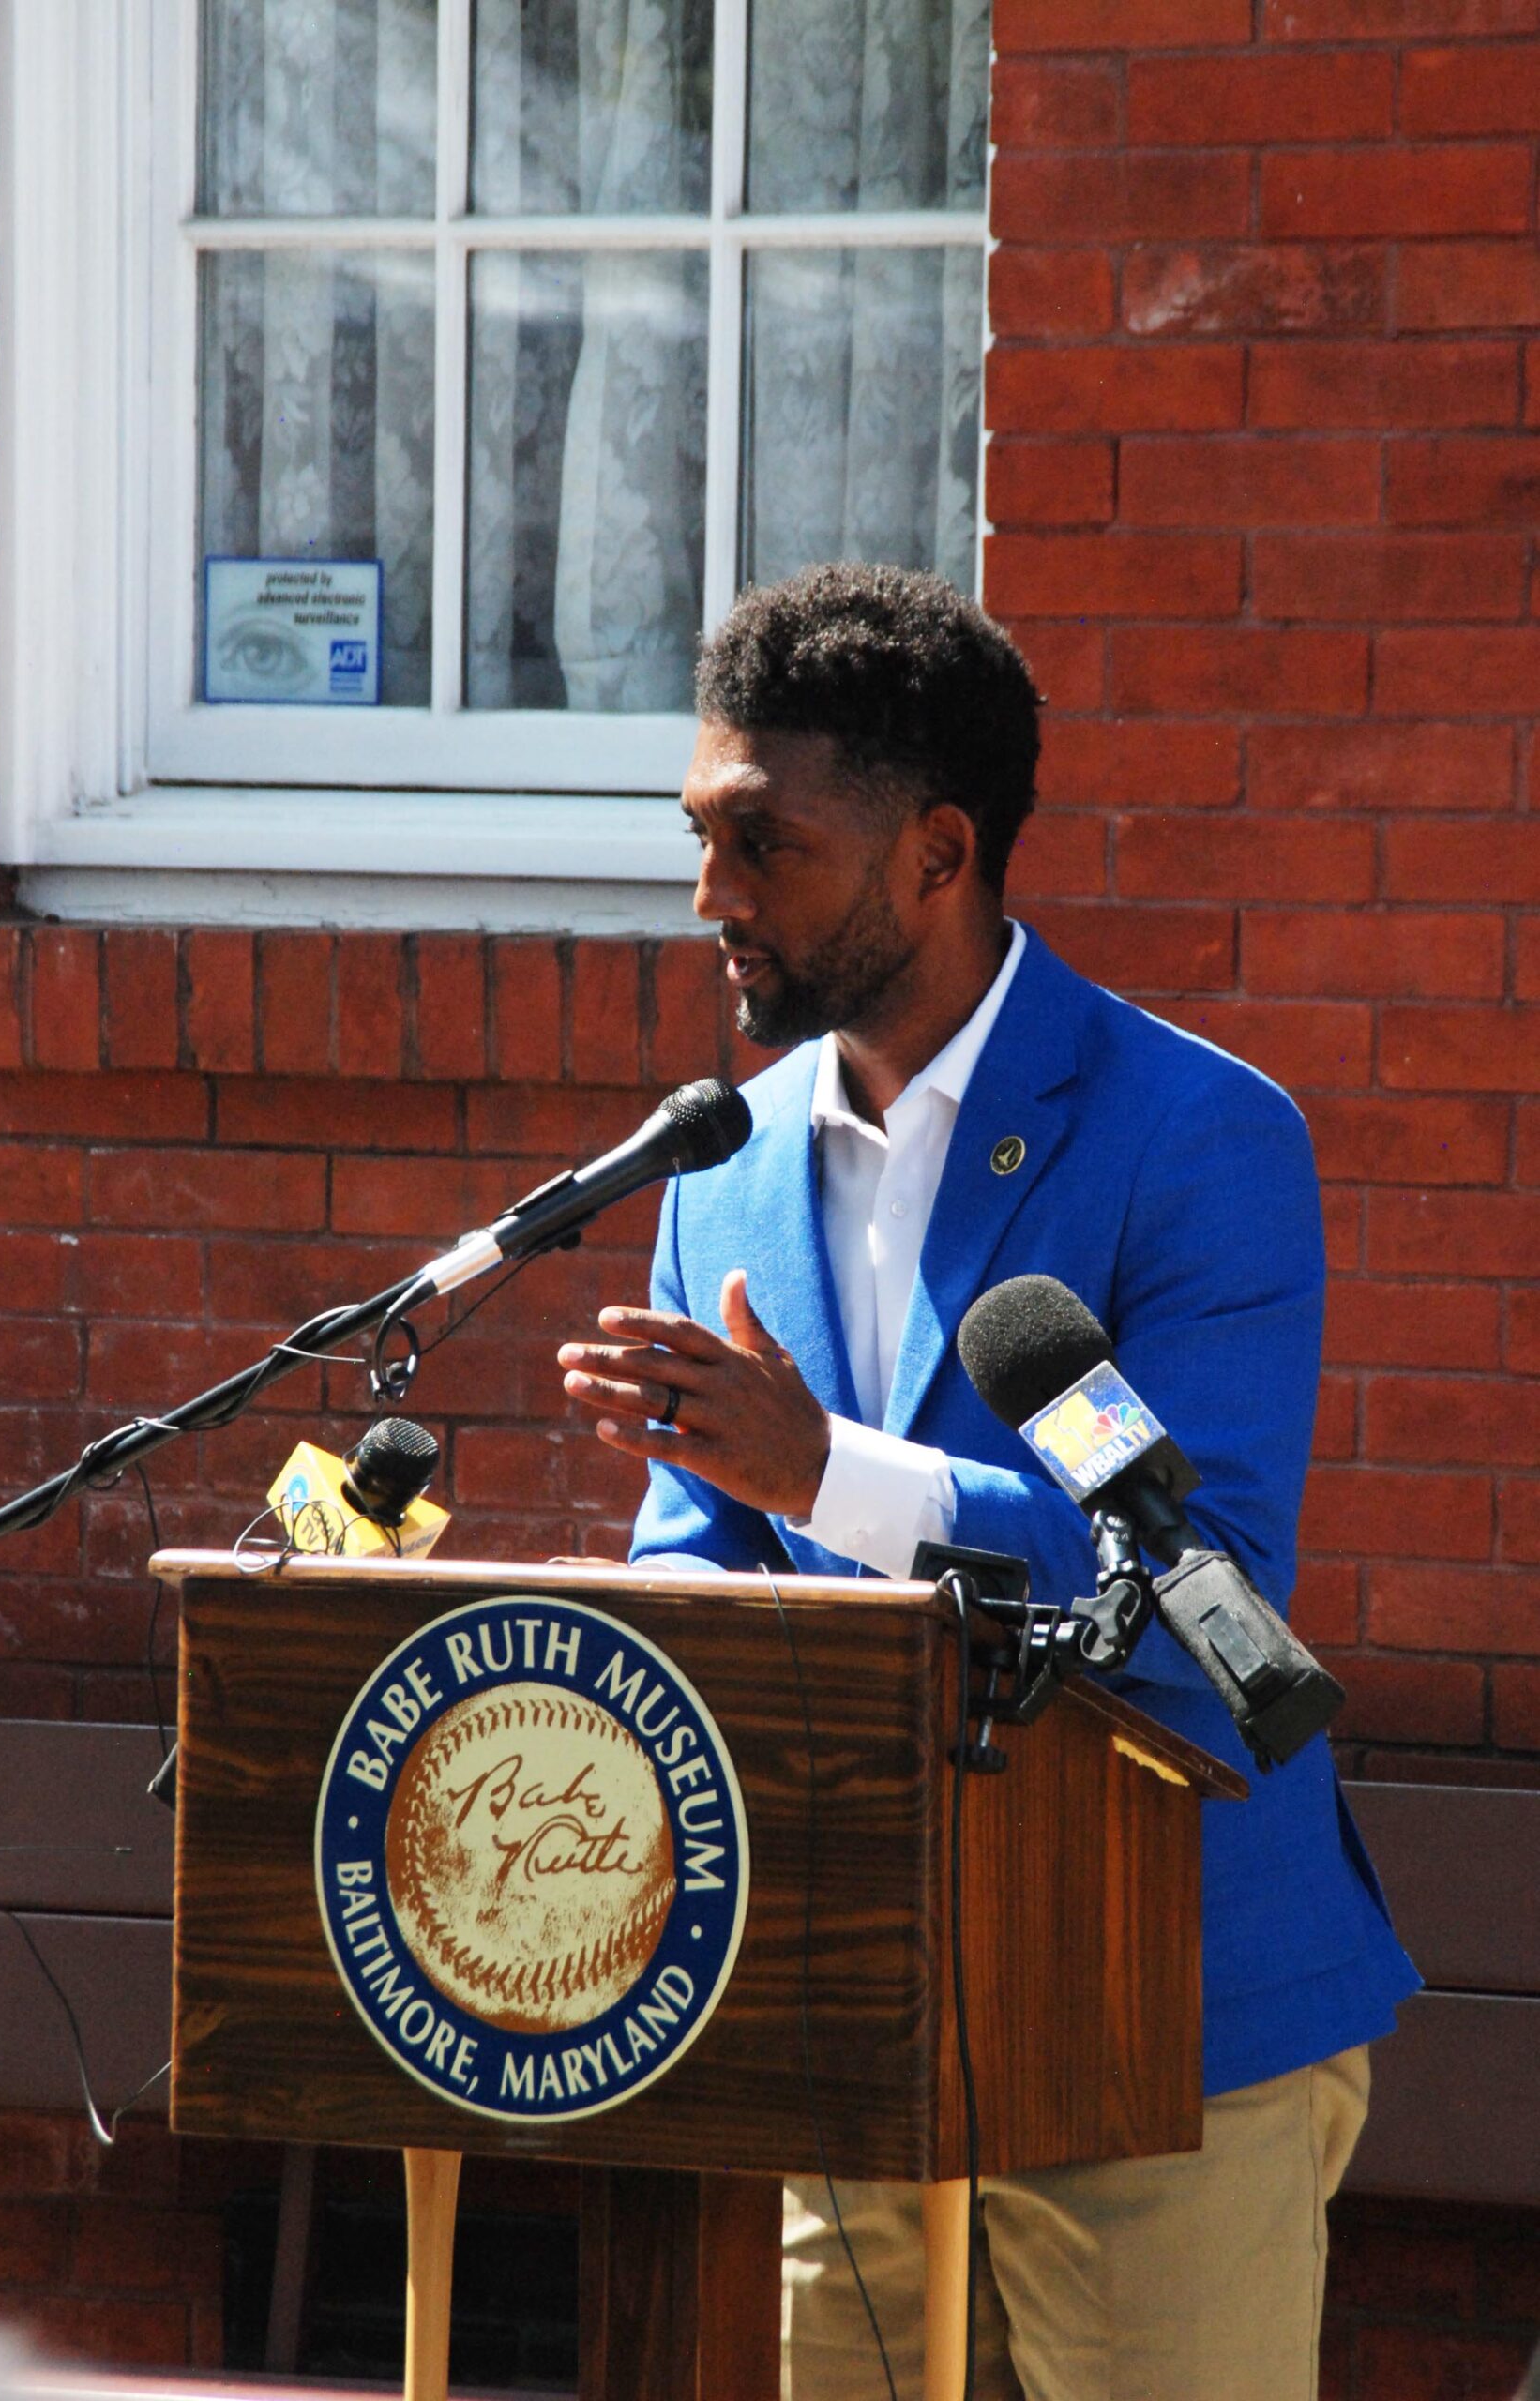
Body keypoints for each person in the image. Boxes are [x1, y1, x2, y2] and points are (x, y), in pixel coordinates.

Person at [558, 562, 1418, 2401]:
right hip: (849, 2014)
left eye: (759, 843)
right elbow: (695, 1567)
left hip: (1164, 2025)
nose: (707, 894)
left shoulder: (1200, 1136)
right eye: (696, 837)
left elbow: (1211, 1589)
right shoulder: (715, 1165)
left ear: (935, 853)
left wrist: (823, 1467)